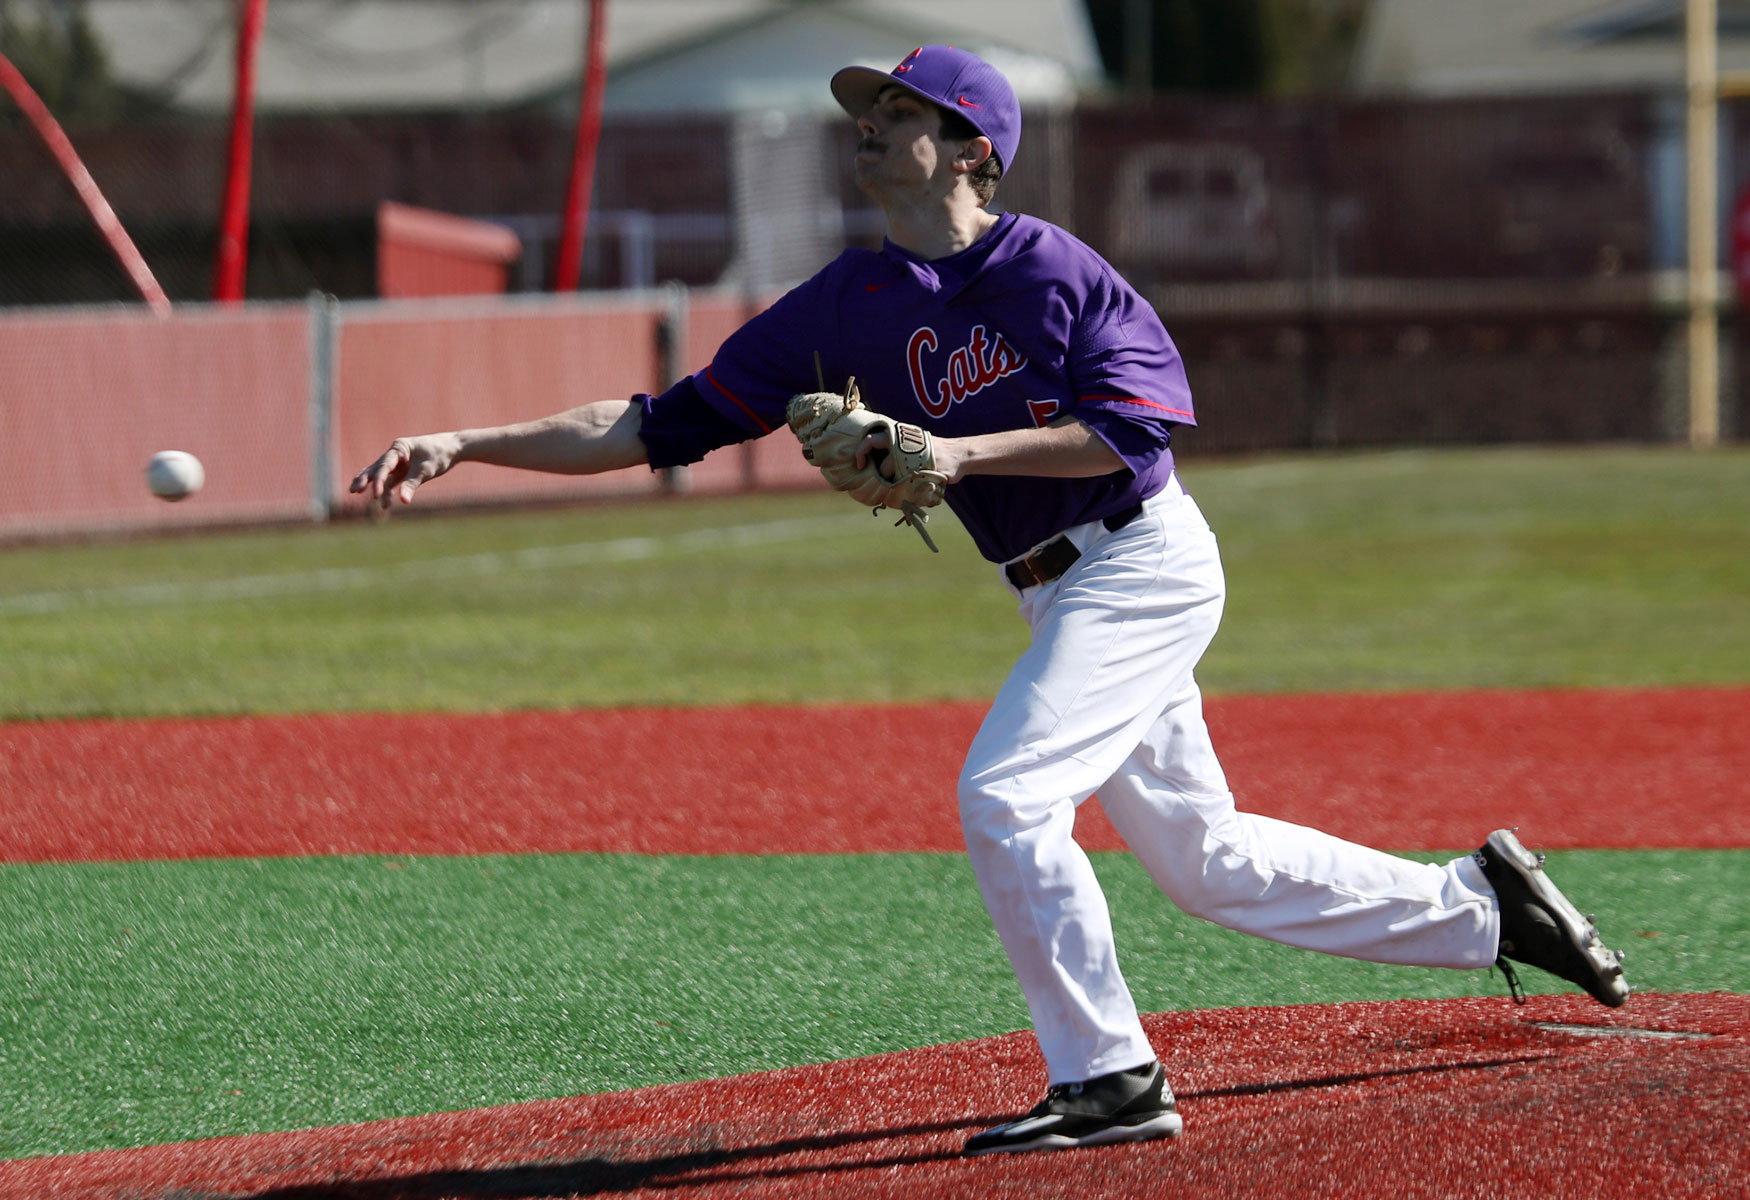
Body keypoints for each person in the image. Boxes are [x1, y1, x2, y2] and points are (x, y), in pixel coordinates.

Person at [350, 45, 1630, 1156]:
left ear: (971, 150)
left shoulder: (1051, 271)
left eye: (899, 114)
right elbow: (654, 424)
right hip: (1052, 592)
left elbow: (1128, 435)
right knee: (1206, 863)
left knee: (1007, 800)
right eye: (868, 112)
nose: (869, 126)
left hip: (1139, 560)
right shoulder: (839, 306)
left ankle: (1110, 1079)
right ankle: (1480, 906)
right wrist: (467, 441)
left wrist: (959, 455)